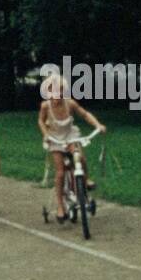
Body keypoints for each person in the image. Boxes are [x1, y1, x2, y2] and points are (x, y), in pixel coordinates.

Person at [38, 74, 106, 222]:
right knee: (60, 172)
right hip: (55, 138)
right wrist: (45, 134)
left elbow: (85, 115)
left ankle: (86, 179)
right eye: (52, 91)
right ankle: (61, 205)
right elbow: (41, 121)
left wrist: (97, 125)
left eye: (59, 91)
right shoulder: (45, 106)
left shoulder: (70, 104)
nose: (56, 95)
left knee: (80, 158)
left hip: (70, 135)